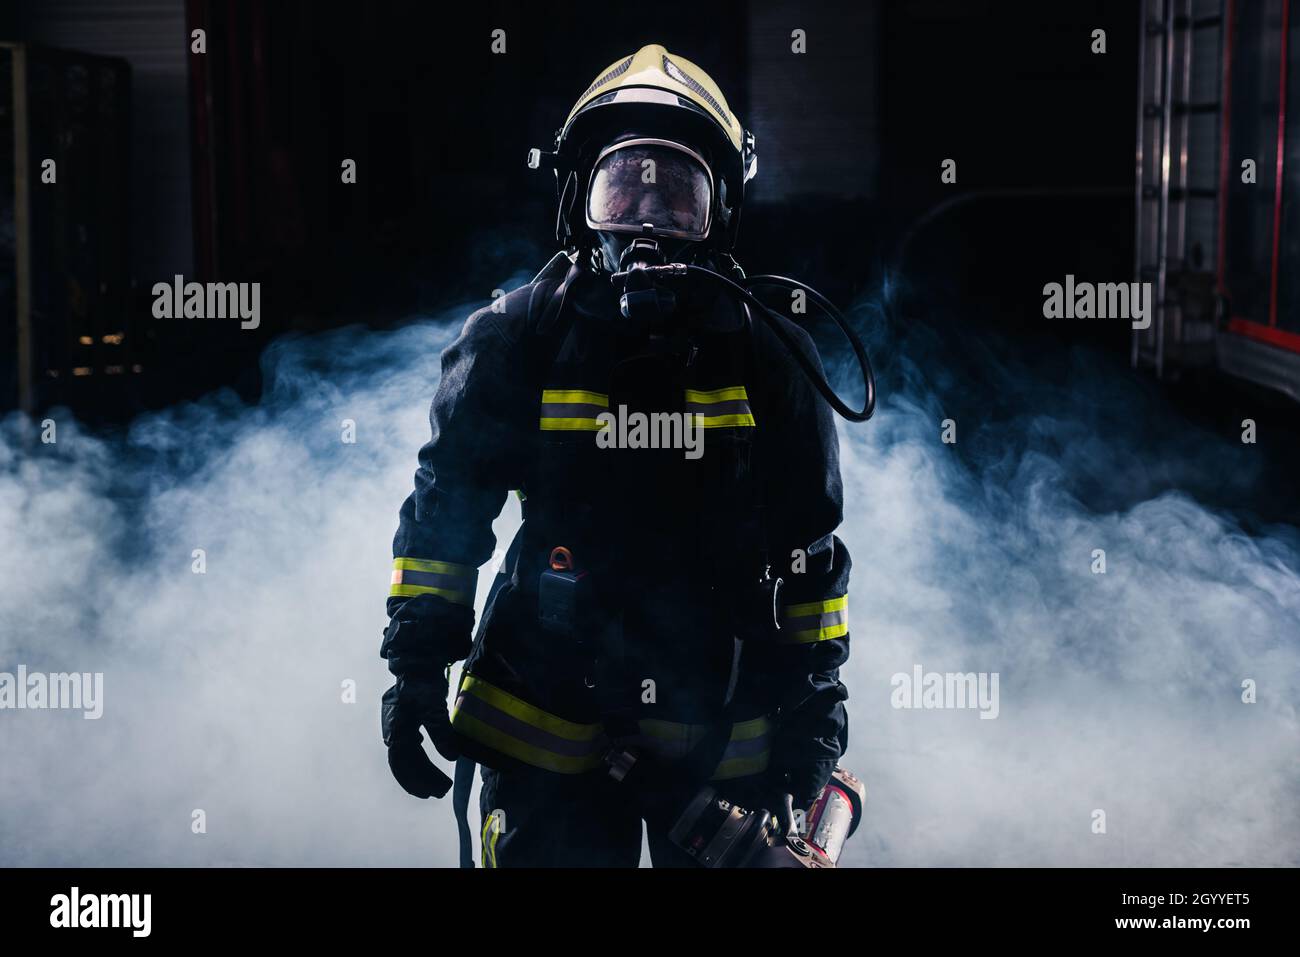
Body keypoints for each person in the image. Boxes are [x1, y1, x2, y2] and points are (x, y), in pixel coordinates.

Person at [380, 44, 852, 867]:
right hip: (541, 729)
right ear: (579, 204)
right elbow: (445, 511)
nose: (644, 213)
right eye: (622, 181)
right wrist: (417, 663)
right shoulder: (517, 339)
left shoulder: (771, 355)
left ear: (720, 216)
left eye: (677, 194)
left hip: (719, 741)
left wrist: (811, 714)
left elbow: (810, 554)